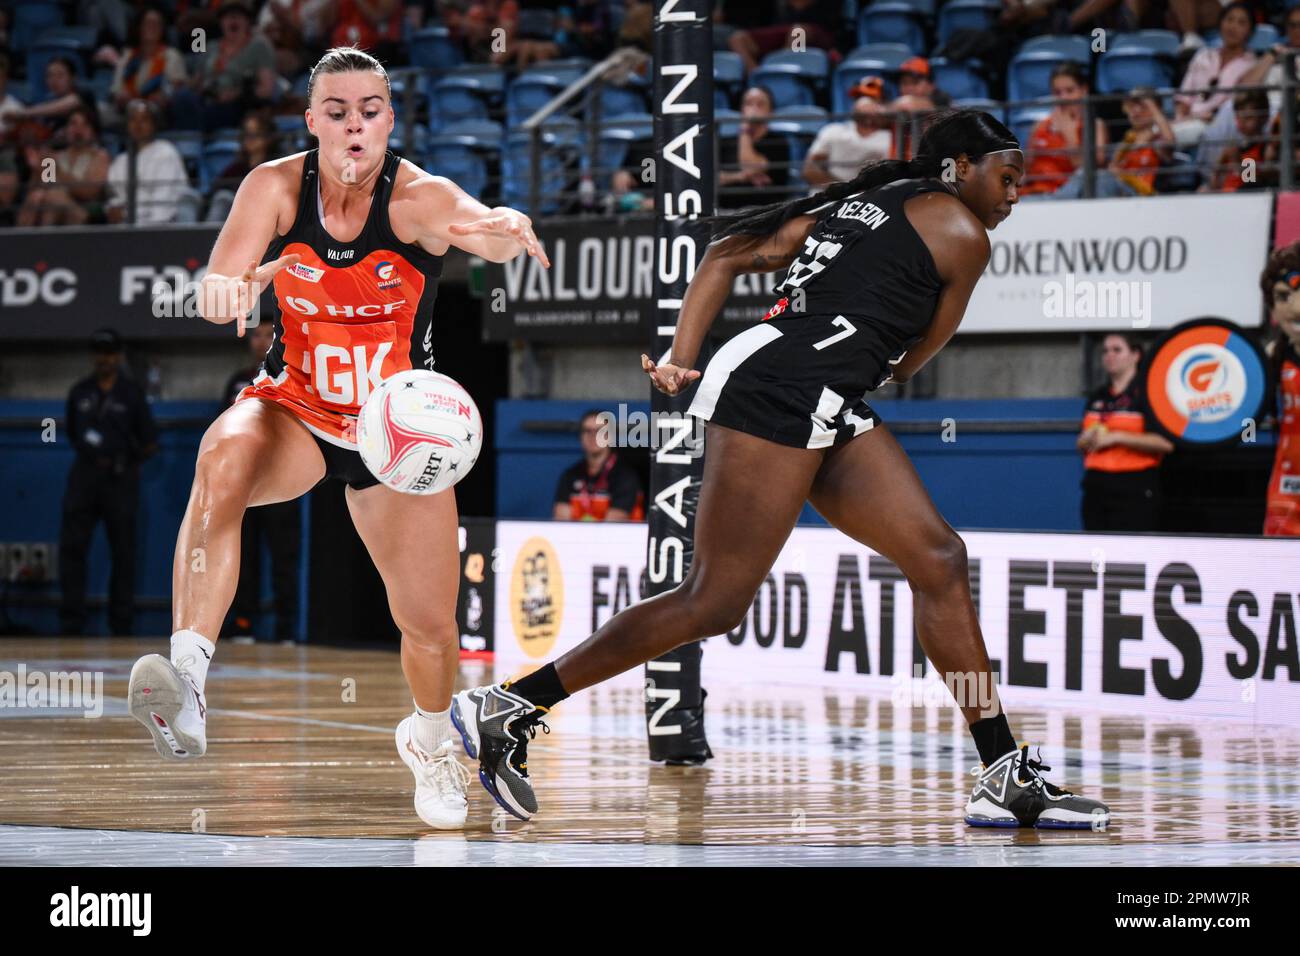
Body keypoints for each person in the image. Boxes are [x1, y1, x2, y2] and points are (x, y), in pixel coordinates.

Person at [451, 109, 1111, 830]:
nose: (1015, 193)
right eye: (1007, 177)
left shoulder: (854, 205)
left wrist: (680, 357)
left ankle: (1002, 773)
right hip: (790, 386)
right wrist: (856, 352)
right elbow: (918, 353)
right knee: (713, 601)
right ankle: (508, 707)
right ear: (957, 169)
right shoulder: (962, 234)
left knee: (938, 558)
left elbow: (726, 254)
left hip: (806, 384)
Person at [124, 47, 549, 833]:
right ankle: (187, 681)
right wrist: (222, 290)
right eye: (337, 110)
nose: (355, 124)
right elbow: (222, 289)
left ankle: (428, 741)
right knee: (220, 458)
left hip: (394, 432)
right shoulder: (274, 187)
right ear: (311, 120)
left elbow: (479, 231)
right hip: (294, 407)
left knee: (428, 624)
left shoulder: (416, 197)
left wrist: (505, 228)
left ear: (390, 117)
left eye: (371, 109)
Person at [60, 329, 159, 636]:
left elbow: (150, 441)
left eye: (110, 353)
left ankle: (121, 623)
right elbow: (73, 434)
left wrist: (126, 462)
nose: (104, 359)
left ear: (118, 356)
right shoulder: (80, 392)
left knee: (123, 552)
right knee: (73, 548)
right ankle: (72, 621)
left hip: (120, 479)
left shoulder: (131, 394)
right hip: (85, 476)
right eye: (99, 353)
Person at [221, 320, 302, 642]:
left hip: (282, 480)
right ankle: (244, 624)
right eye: (257, 335)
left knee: (284, 557)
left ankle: (286, 629)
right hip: (244, 485)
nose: (263, 340)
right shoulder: (238, 382)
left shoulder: (292, 377)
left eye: (270, 334)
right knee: (244, 555)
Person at [1076, 333, 1173, 531]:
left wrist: (1117, 438)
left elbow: (1166, 443)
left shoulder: (1150, 395)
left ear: (1135, 355)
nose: (1109, 355)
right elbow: (1081, 443)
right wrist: (1085, 440)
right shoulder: (1097, 396)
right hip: (1096, 485)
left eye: (1117, 350)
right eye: (1105, 351)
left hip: (1134, 486)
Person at [1052, 88, 1173, 199]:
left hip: (1142, 193)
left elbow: (1169, 142)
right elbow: (1113, 168)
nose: (1135, 112)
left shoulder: (1157, 140)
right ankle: (1056, 201)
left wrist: (1153, 107)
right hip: (1119, 189)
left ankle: (1054, 203)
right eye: (1131, 106)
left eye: (1142, 107)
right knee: (1086, 174)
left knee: (1102, 179)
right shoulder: (1127, 141)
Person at [1173, 2, 1257, 149]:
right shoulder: (1203, 56)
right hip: (1188, 122)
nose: (1233, 27)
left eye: (1241, 23)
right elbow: (1183, 100)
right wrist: (1182, 119)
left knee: (1157, 137)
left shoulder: (1251, 66)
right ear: (1221, 24)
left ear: (1250, 31)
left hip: (1219, 126)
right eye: (1229, 20)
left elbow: (1235, 108)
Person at [1019, 62, 1109, 197]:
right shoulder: (1039, 125)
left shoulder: (1095, 126)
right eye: (1057, 92)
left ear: (1083, 90)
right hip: (1033, 193)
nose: (1063, 98)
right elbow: (1026, 169)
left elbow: (1089, 172)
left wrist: (1069, 135)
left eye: (1070, 91)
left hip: (1067, 195)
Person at [1259, 245, 1300, 536]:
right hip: (1285, 494)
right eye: (1283, 297)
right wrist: (1245, 429)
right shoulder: (1270, 359)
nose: (1296, 308)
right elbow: (1249, 427)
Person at [15, 105, 110, 226]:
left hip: (82, 211)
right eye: (73, 124)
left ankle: (45, 241)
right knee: (36, 197)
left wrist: (55, 170)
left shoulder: (99, 156)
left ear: (93, 132)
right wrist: (37, 169)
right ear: (66, 129)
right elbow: (37, 187)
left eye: (85, 125)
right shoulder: (55, 156)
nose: (78, 129)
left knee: (54, 196)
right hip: (51, 207)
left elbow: (90, 192)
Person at [106, 99, 194, 224]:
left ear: (154, 124)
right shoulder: (121, 160)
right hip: (125, 228)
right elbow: (116, 197)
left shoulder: (165, 152)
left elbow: (164, 204)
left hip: (160, 228)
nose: (138, 125)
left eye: (144, 119)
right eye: (133, 119)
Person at [552, 410, 645, 522]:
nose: (593, 436)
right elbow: (561, 520)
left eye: (600, 430)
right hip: (575, 538)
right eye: (587, 431)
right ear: (580, 437)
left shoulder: (625, 476)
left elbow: (614, 524)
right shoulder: (570, 475)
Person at [803, 78, 893, 192]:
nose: (863, 103)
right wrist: (841, 189)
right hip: (826, 196)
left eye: (871, 99)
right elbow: (809, 170)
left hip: (865, 200)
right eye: (859, 97)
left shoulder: (890, 138)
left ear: (883, 104)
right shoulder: (833, 130)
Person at [718, 85, 792, 208]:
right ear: (742, 110)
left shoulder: (778, 142)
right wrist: (741, 177)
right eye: (749, 103)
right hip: (727, 210)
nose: (754, 109)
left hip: (765, 211)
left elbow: (750, 167)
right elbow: (715, 178)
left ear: (770, 112)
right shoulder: (725, 142)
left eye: (760, 104)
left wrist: (745, 129)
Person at [205, 112, 281, 221]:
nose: (250, 138)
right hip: (233, 217)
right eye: (247, 133)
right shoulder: (235, 168)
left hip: (263, 215)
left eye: (256, 132)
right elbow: (215, 190)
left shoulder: (277, 167)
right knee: (222, 197)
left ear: (268, 137)